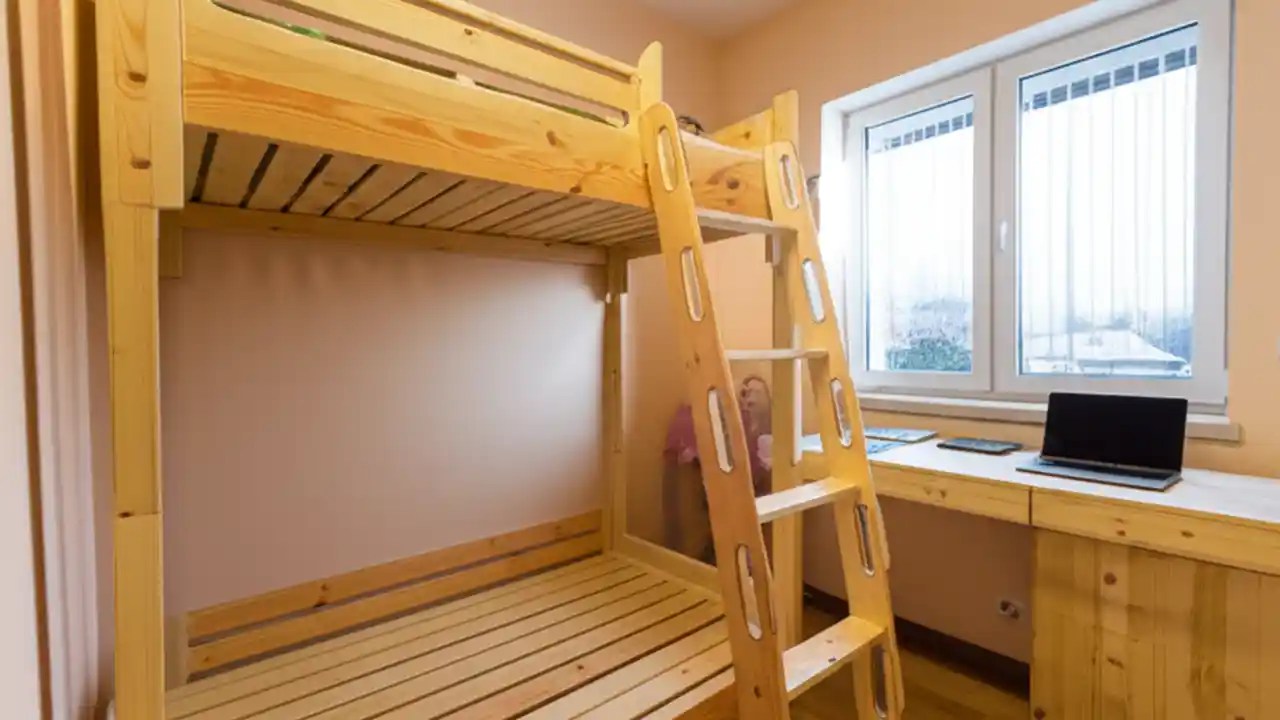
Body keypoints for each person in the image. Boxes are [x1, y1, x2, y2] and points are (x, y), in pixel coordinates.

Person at [663, 375, 772, 562]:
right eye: (747, 394)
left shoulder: (757, 437)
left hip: (721, 453)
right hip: (702, 447)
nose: (749, 400)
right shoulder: (694, 422)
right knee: (693, 528)